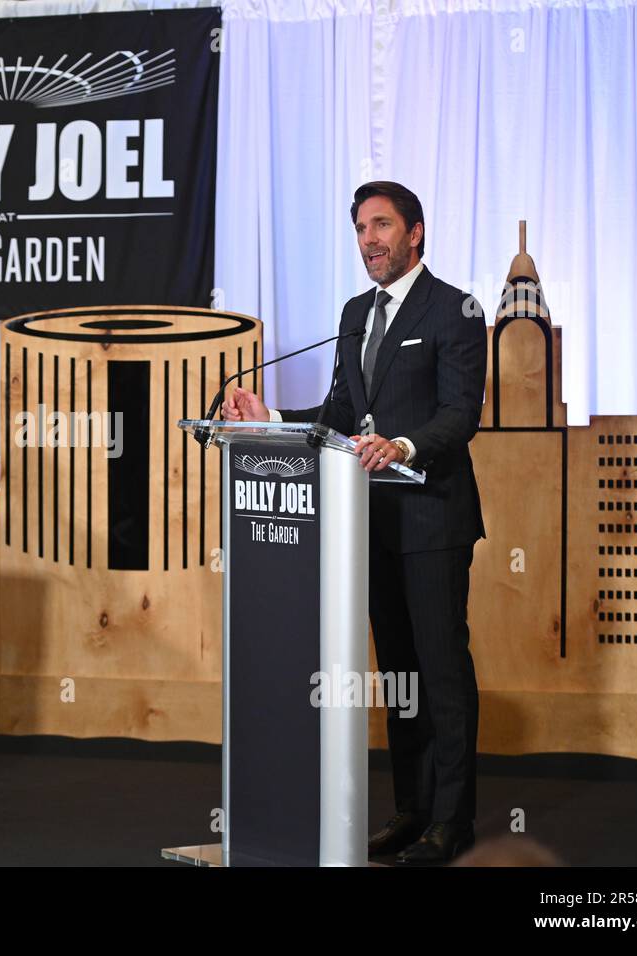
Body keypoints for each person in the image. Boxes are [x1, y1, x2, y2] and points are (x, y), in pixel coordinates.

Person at [225, 181, 487, 864]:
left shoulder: (455, 308)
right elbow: (341, 416)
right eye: (362, 229)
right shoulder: (354, 313)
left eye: (382, 226)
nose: (370, 240)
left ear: (415, 233)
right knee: (398, 673)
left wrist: (401, 446)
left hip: (432, 519)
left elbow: (461, 416)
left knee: (440, 670)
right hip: (366, 522)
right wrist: (272, 420)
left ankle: (452, 823)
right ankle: (412, 811)